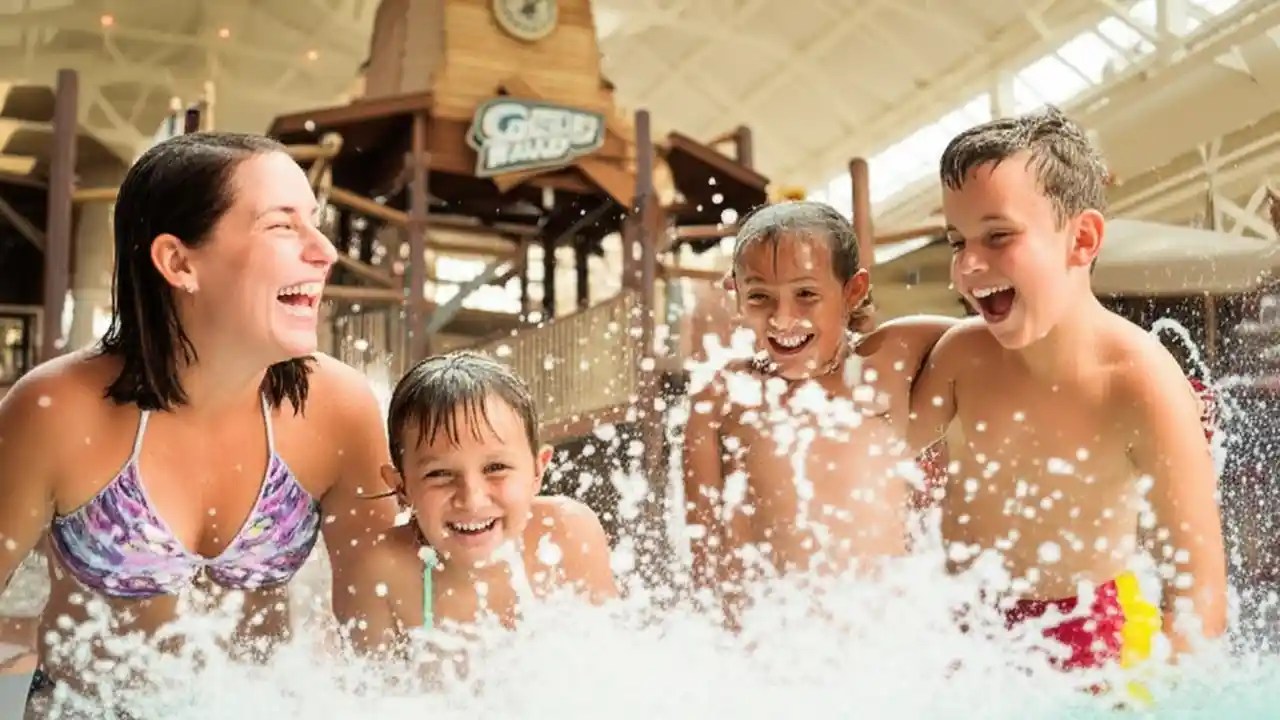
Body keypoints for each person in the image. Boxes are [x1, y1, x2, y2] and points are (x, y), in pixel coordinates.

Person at [0, 132, 400, 715]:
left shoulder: (338, 409)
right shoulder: (56, 411)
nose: (324, 251)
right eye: (281, 225)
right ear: (179, 262)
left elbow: (388, 641)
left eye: (314, 223)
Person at [908, 107, 1227, 686]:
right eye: (958, 241)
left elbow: (1199, 594)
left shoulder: (1139, 383)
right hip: (967, 629)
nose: (968, 264)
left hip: (1092, 636)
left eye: (998, 235)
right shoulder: (960, 358)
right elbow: (866, 461)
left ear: (1081, 239)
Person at [682, 200, 955, 627]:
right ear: (736, 294)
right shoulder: (722, 396)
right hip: (778, 636)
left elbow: (1004, 342)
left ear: (853, 291)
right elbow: (705, 550)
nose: (782, 318)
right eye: (760, 297)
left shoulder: (895, 355)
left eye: (806, 294)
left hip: (888, 633)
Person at [354, 351, 616, 654]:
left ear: (538, 470)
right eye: (439, 474)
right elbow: (371, 680)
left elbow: (610, 663)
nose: (472, 499)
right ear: (402, 487)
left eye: (496, 468)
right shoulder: (383, 571)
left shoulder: (567, 533)